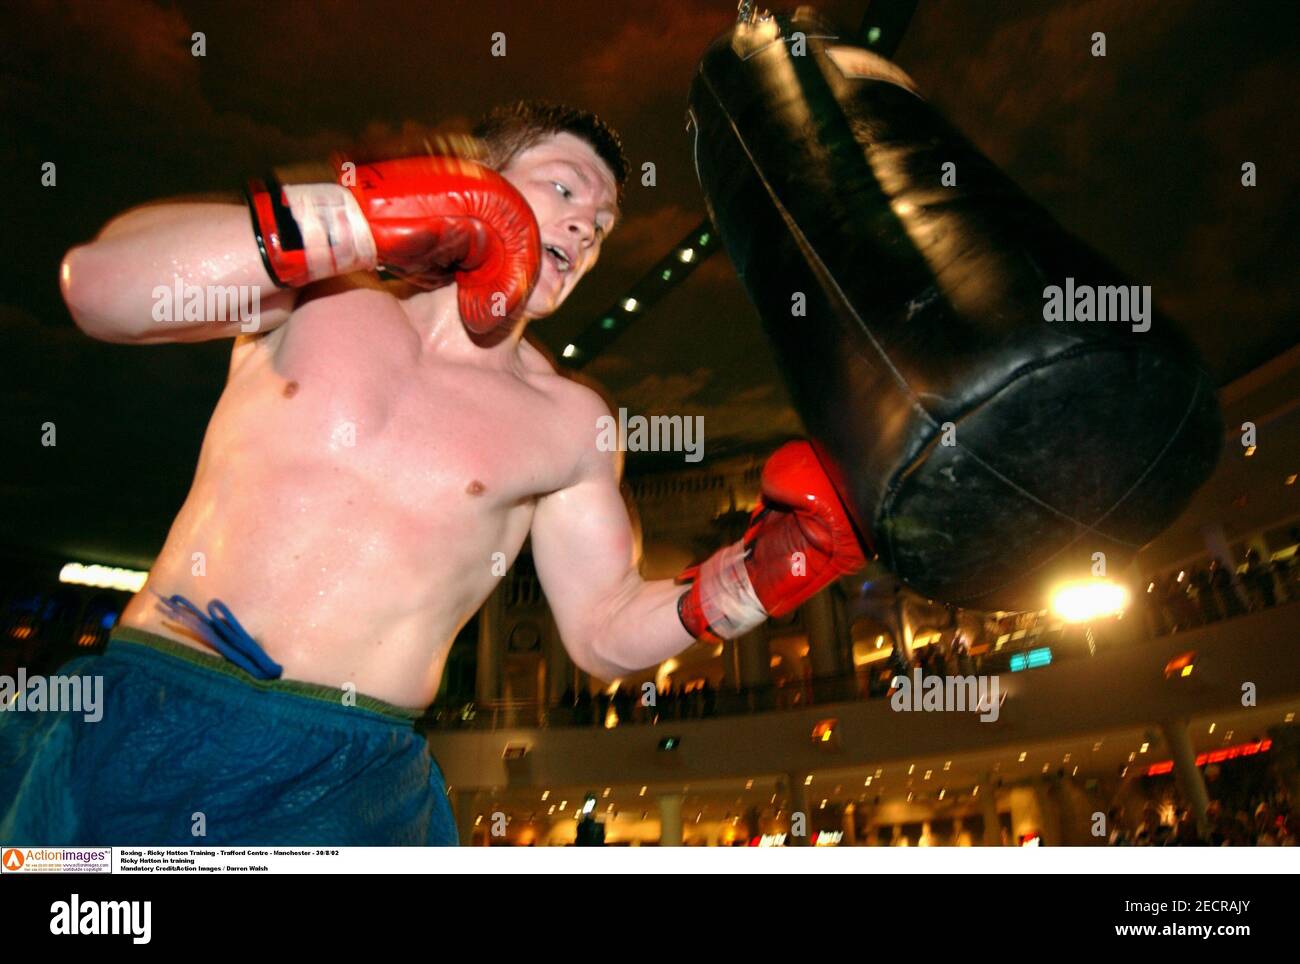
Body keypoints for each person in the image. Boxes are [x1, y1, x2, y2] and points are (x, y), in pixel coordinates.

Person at [1, 101, 866, 846]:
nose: (583, 228)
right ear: (476, 177)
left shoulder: (571, 421)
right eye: (564, 190)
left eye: (600, 227)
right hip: (147, 709)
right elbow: (103, 286)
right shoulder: (320, 291)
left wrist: (755, 580)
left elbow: (602, 629)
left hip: (352, 779)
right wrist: (356, 218)